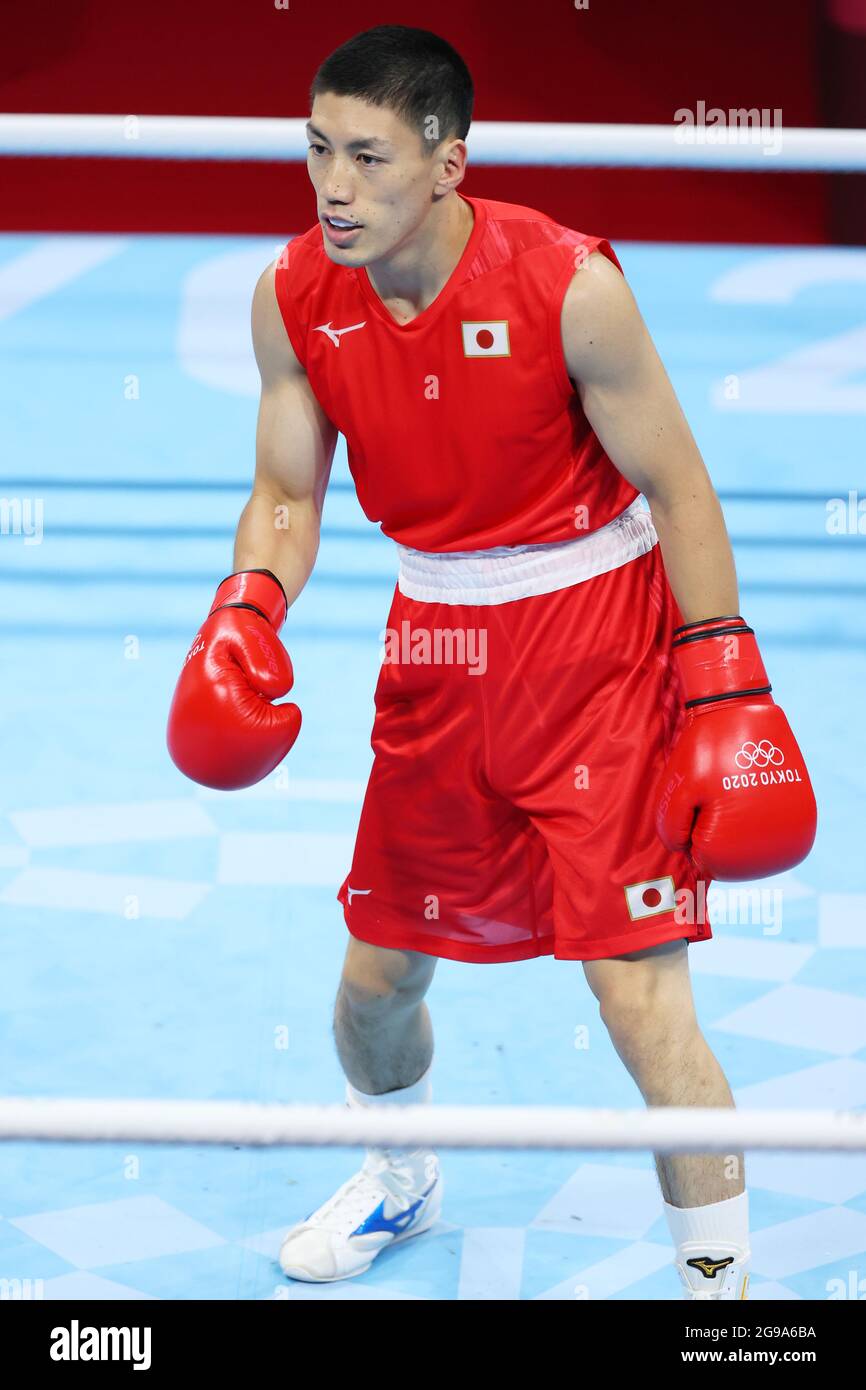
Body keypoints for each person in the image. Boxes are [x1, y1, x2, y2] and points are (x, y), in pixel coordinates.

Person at [166, 25, 817, 1298]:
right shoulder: (293, 293)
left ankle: (722, 1297)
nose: (332, 186)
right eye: (314, 151)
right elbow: (285, 491)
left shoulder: (566, 285)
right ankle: (401, 1181)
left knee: (638, 1003)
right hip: (434, 651)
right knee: (371, 985)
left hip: (595, 649)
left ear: (447, 161)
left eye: (365, 156)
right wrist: (247, 604)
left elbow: (677, 488)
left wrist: (724, 683)